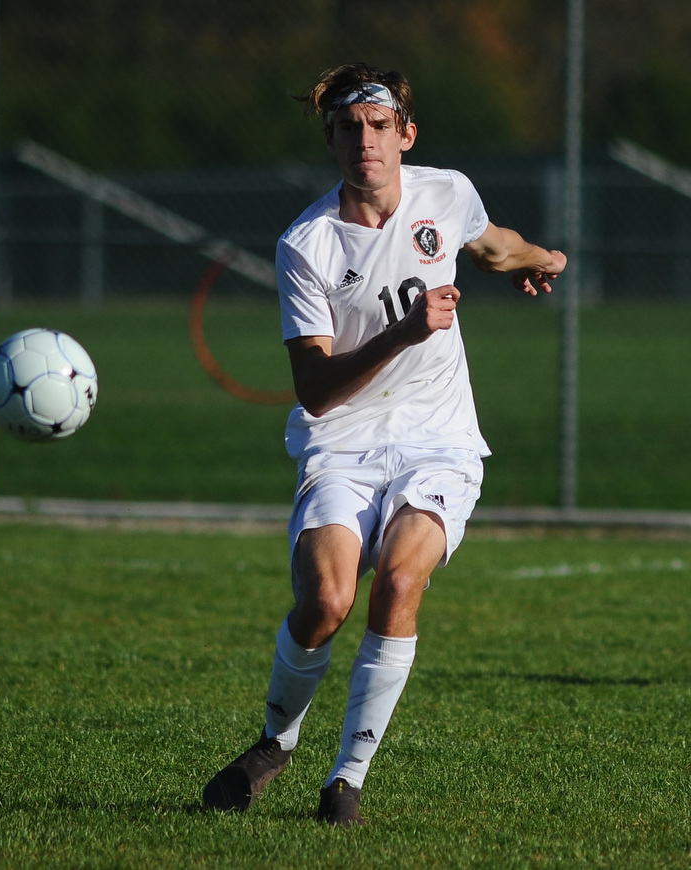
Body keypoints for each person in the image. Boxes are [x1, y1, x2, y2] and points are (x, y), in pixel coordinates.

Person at [202, 62, 566, 825]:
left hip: (439, 438)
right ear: (331, 139)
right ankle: (275, 743)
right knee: (326, 602)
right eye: (347, 128)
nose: (363, 141)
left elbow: (493, 246)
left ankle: (347, 782)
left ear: (406, 135)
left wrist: (539, 259)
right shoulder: (307, 244)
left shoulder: (447, 193)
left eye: (377, 126)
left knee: (399, 584)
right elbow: (314, 389)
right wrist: (403, 332)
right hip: (341, 440)